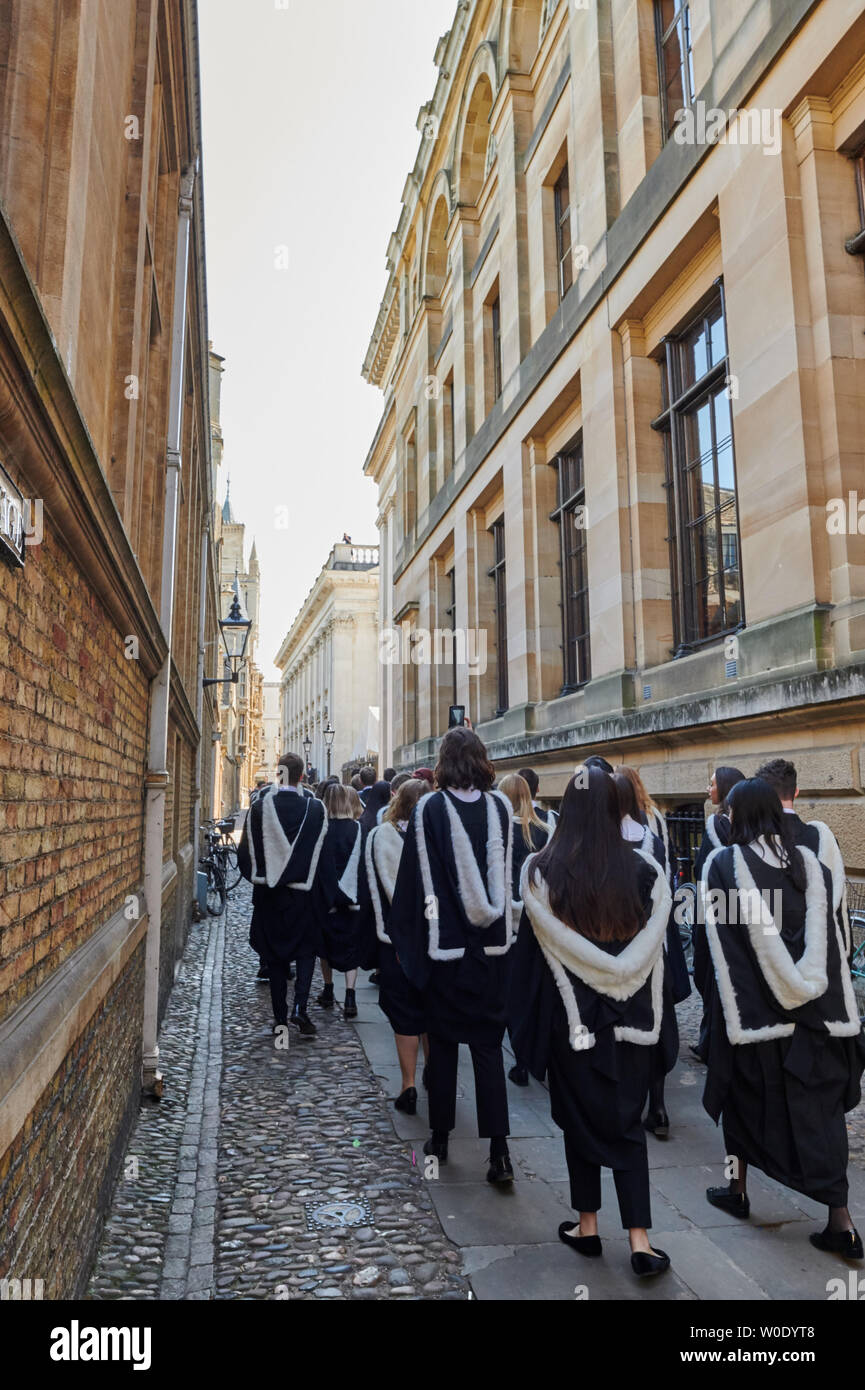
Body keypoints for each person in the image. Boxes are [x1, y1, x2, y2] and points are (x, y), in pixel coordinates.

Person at [509, 765, 673, 1277]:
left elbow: (529, 961)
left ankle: (587, 1226)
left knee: (578, 1122)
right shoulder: (647, 871)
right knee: (628, 1126)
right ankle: (641, 1241)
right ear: (615, 807)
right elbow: (659, 958)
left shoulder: (542, 872)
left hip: (573, 1021)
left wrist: (526, 1036)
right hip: (634, 1021)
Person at [700, 778, 864, 1259]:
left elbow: (725, 946)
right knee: (823, 1120)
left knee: (739, 1110)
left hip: (757, 1019)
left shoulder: (725, 865)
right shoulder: (811, 865)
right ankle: (842, 1223)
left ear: (742, 815)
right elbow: (834, 941)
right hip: (816, 1020)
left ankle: (737, 1189)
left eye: (731, 812)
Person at [388, 727, 516, 1183]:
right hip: (491, 953)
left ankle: (440, 1139)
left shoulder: (430, 809)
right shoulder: (500, 808)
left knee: (442, 1049)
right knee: (488, 1050)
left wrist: (407, 945)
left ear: (444, 762)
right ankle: (499, 1154)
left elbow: (412, 884)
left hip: (446, 953)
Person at [614, 771, 690, 1138]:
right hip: (654, 946)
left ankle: (626, 1106)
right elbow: (667, 891)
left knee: (624, 1027)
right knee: (656, 1023)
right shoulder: (653, 839)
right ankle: (657, 1105)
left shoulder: (604, 841)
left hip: (617, 948)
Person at [237, 752, 329, 1038]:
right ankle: (300, 1006)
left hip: (270, 895)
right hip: (305, 896)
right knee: (306, 951)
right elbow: (323, 857)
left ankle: (279, 1017)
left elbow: (245, 853)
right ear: (302, 776)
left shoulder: (259, 808)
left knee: (275, 955)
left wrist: (260, 879)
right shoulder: (316, 809)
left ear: (278, 774)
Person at [361, 777, 432, 1112]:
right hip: (432, 941)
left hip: (394, 942)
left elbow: (368, 891)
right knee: (431, 1010)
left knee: (403, 1014)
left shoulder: (380, 837)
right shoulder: (438, 836)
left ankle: (408, 1085)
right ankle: (434, 1072)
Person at [755, 758, 851, 957]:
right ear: (796, 792)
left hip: (770, 957)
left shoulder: (753, 842)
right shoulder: (823, 839)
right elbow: (839, 906)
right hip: (818, 954)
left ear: (762, 797)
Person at [499, 773, 553, 1086]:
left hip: (507, 922)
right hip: (536, 920)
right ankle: (532, 1055)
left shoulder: (499, 828)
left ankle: (519, 1060)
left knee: (509, 992)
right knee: (532, 990)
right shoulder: (545, 830)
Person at [691, 765, 746, 1062]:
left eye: (712, 784)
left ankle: (710, 1042)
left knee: (711, 974)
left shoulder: (716, 824)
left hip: (714, 909)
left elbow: (703, 870)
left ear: (724, 788)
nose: (708, 789)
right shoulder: (746, 826)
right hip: (740, 910)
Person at [317, 782, 364, 1019]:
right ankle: (350, 995)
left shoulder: (321, 829)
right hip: (353, 898)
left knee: (325, 946)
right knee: (351, 947)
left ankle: (328, 989)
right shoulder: (358, 828)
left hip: (327, 899)